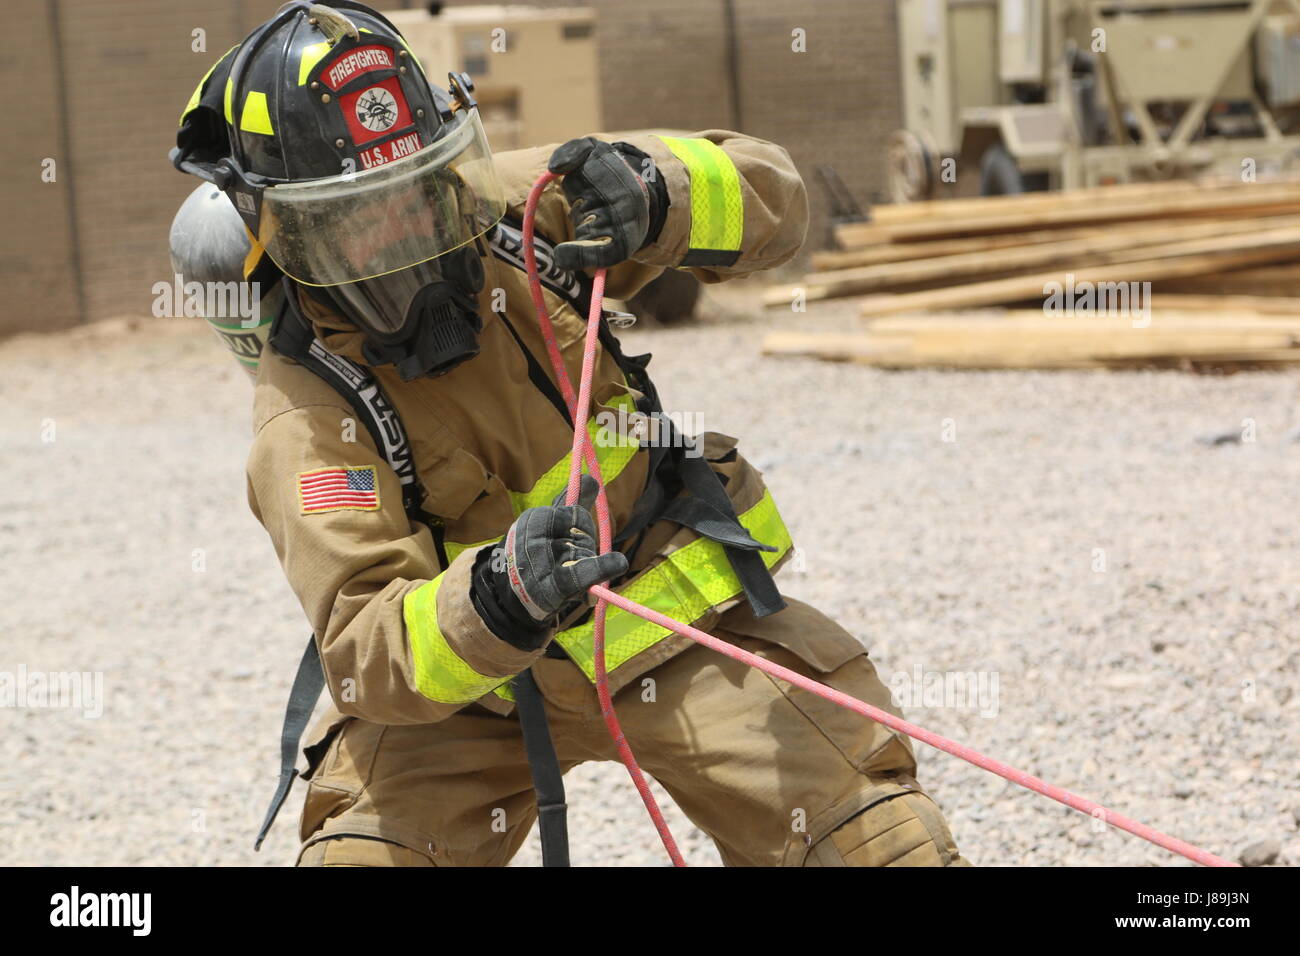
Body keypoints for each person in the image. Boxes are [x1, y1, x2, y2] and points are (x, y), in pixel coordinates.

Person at [171, 0, 968, 867]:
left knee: (879, 847)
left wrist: (659, 192)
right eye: (362, 216)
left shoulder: (520, 210)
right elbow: (366, 649)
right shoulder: (307, 412)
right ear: (287, 229)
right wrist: (493, 598)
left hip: (679, 630)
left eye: (421, 189)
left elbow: (776, 199)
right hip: (476, 702)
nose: (409, 227)